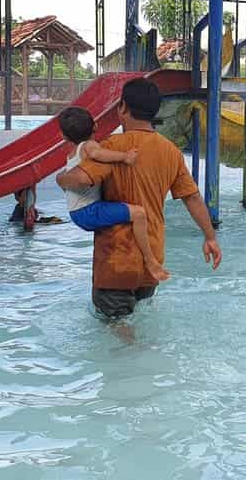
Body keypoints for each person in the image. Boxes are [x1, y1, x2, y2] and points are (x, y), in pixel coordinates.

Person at [56, 78, 220, 320]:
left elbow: (80, 179)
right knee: (140, 320)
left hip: (116, 261)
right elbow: (193, 198)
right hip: (151, 262)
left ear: (123, 107)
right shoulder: (171, 152)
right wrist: (210, 237)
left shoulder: (112, 147)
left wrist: (60, 178)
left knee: (116, 328)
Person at [57, 106, 170, 282]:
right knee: (139, 213)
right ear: (95, 125)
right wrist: (124, 157)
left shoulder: (73, 153)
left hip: (78, 212)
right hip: (88, 211)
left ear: (64, 137)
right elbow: (96, 152)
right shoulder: (88, 146)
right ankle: (150, 260)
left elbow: (67, 181)